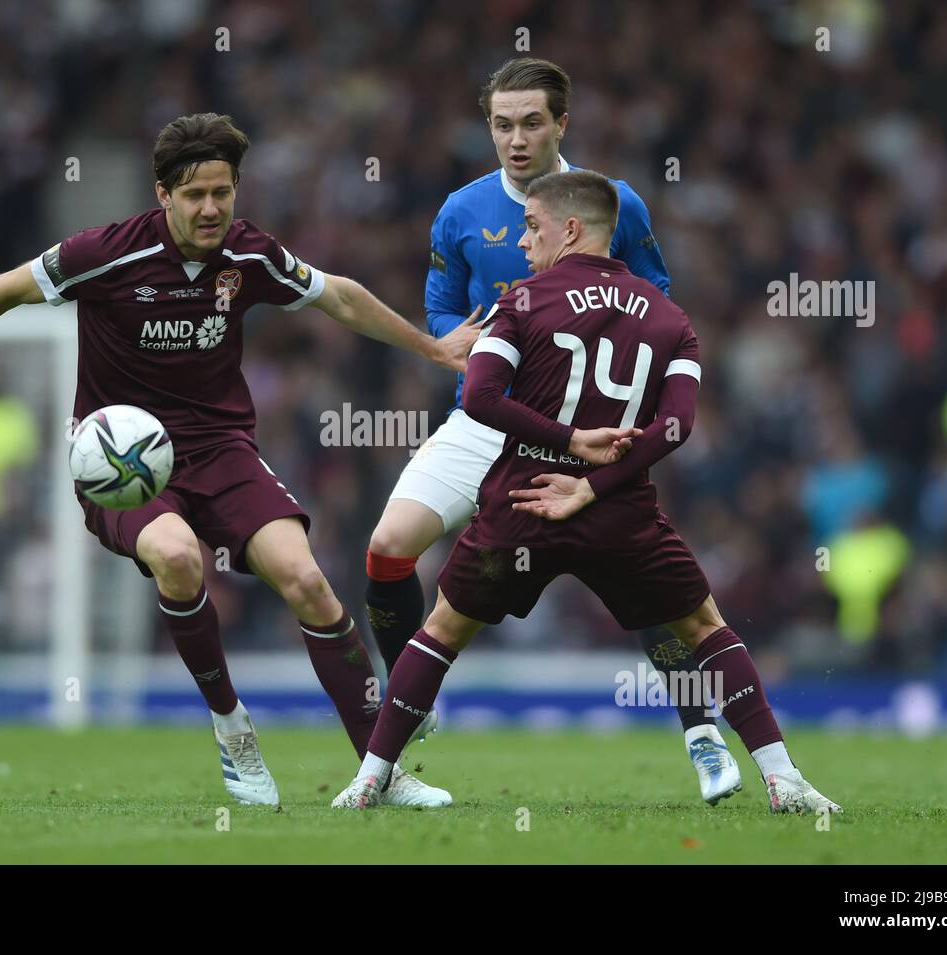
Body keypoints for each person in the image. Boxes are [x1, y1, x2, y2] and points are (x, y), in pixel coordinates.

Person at [0, 112, 480, 808]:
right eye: (195, 194)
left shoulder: (250, 255)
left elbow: (339, 296)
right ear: (162, 193)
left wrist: (433, 349)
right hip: (126, 461)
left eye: (223, 193)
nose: (210, 209)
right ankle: (232, 729)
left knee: (309, 581)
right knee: (178, 557)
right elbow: (8, 288)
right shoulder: (103, 253)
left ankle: (381, 772)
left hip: (223, 448)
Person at [335, 170, 839, 814]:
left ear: (569, 229)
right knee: (706, 628)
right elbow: (677, 426)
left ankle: (371, 779)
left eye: (532, 227)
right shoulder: (671, 319)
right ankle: (783, 778)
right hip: (618, 511)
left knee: (438, 632)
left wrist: (569, 443)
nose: (522, 244)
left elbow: (482, 398)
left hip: (522, 502)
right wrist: (594, 483)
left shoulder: (518, 304)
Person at [362, 57, 740, 803]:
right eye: (502, 124)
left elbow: (655, 295)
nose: (516, 138)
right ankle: (412, 695)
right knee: (386, 546)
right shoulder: (461, 211)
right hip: (487, 416)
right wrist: (456, 339)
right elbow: (441, 306)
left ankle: (702, 732)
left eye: (532, 122)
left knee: (645, 586)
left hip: (585, 428)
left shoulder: (612, 203)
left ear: (562, 123)